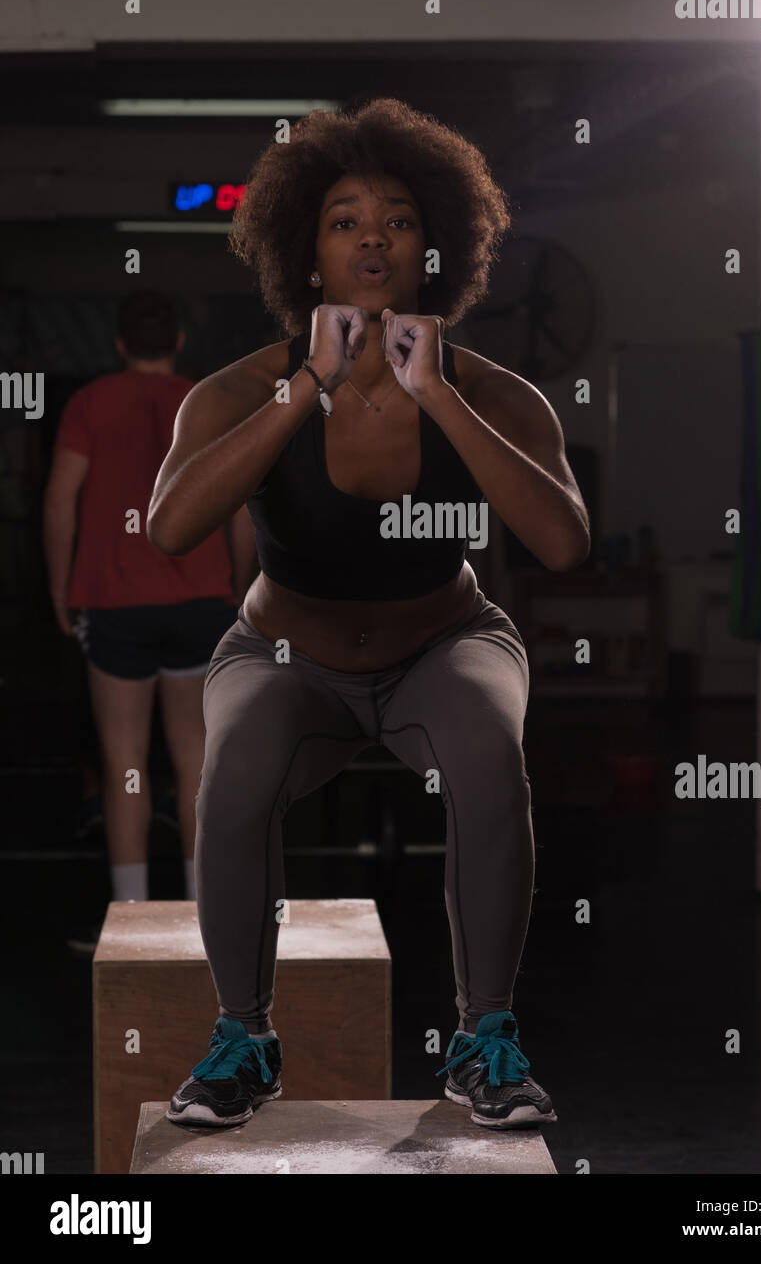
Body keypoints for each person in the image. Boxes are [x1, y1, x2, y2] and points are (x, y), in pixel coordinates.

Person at [149, 98, 590, 1132]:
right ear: (307, 253)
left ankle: (484, 1043)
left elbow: (564, 543)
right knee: (237, 764)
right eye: (345, 218)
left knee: (487, 744)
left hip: (443, 641)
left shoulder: (491, 391)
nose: (373, 235)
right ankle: (242, 1041)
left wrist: (436, 395)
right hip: (284, 651)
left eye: (395, 216)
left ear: (431, 246)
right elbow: (171, 528)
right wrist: (306, 386)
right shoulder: (237, 391)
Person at [43, 291, 255, 951]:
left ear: (119, 345)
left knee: (124, 761)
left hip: (114, 604)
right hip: (200, 602)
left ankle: (133, 922)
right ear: (181, 342)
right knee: (195, 759)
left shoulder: (89, 404)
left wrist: (60, 591)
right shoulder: (210, 401)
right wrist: (237, 586)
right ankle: (200, 919)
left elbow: (59, 501)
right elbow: (239, 509)